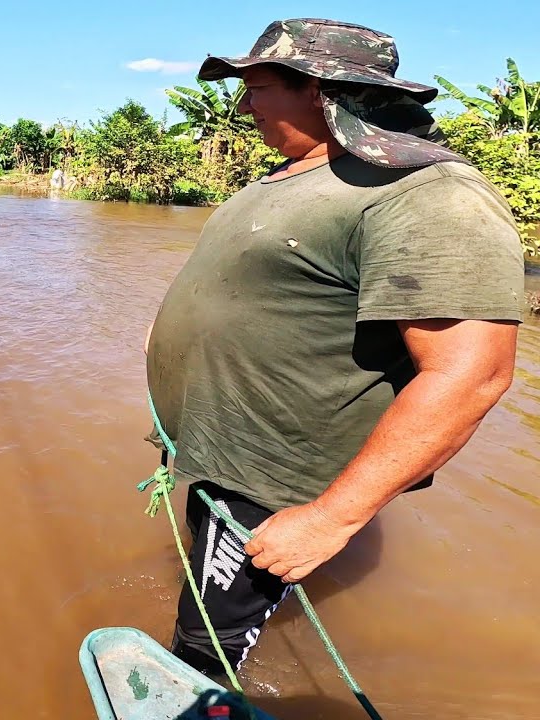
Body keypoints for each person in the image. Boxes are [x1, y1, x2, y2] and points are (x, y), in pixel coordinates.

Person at [143, 18, 524, 677]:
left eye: (256, 88)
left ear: (320, 91)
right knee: (206, 601)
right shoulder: (295, 176)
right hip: (224, 452)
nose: (241, 106)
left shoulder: (430, 197)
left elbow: (471, 374)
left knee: (204, 649)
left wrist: (329, 519)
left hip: (272, 480)